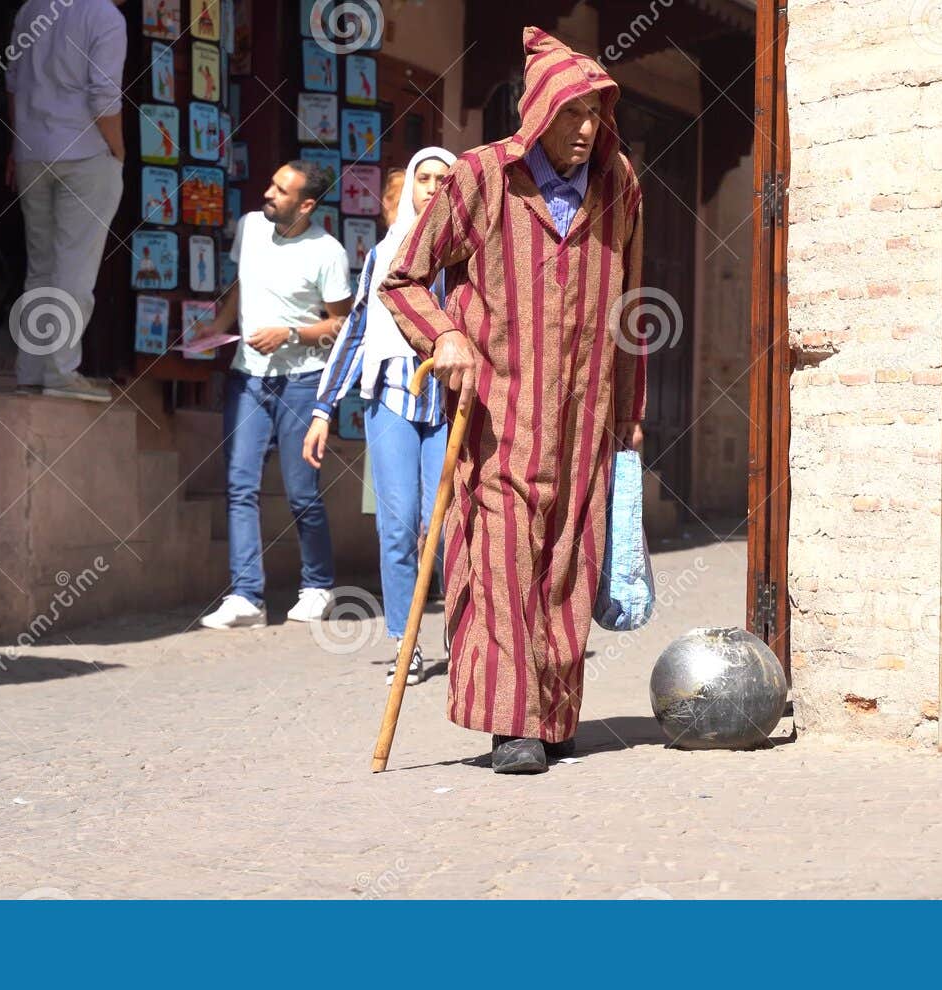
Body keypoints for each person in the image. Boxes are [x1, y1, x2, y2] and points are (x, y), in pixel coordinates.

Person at [379, 28, 646, 775]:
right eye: (571, 113)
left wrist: (629, 413)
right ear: (536, 113)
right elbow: (403, 281)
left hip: (586, 411)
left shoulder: (618, 184)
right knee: (501, 558)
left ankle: (554, 714)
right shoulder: (479, 179)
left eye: (597, 113)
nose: (587, 129)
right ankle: (512, 722)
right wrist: (446, 339)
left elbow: (632, 306)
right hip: (499, 413)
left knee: (568, 558)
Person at [303, 148, 455, 686]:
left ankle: (461, 643)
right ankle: (404, 642)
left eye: (443, 179)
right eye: (425, 178)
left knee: (445, 529)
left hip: (448, 407)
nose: (433, 187)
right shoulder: (384, 255)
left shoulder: (465, 257)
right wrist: (324, 408)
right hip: (390, 399)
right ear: (411, 188)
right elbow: (357, 332)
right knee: (397, 527)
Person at [197, 161, 354, 629]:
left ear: (306, 205)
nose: (268, 193)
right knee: (240, 485)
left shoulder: (326, 252)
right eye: (271, 183)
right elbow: (242, 285)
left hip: (303, 382)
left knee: (301, 490)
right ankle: (247, 597)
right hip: (247, 377)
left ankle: (318, 585)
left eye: (280, 190)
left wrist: (290, 334)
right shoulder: (249, 227)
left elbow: (342, 326)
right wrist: (218, 329)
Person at [5, 0, 127, 403]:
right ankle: (61, 372)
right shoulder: (105, 16)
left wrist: (16, 143)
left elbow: (12, 83)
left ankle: (32, 368)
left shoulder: (30, 9)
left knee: (41, 266)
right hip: (85, 153)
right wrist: (119, 151)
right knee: (75, 267)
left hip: (31, 152)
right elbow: (104, 96)